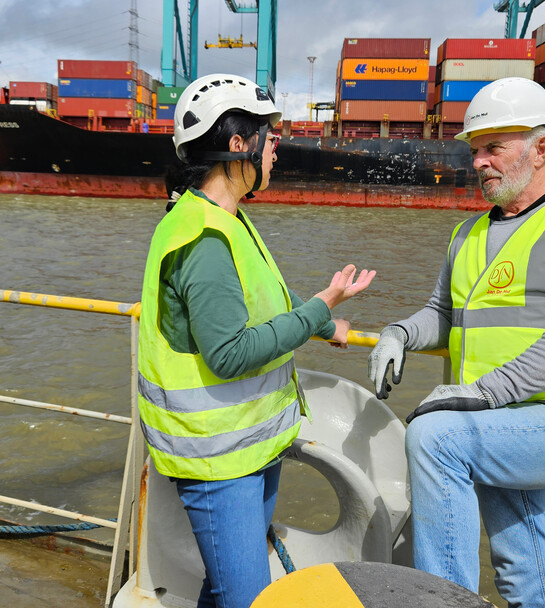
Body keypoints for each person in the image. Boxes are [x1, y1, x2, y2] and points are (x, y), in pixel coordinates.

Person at [367, 77, 545, 608]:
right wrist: (399, 334)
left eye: (494, 147)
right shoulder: (467, 233)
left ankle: (442, 603)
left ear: (542, 149)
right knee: (524, 567)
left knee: (435, 438)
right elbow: (443, 315)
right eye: (474, 150)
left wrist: (483, 394)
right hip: (500, 419)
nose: (479, 162)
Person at [138, 73, 375, 608]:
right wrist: (322, 306)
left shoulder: (227, 219)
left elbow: (260, 305)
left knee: (224, 586)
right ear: (237, 145)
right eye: (270, 137)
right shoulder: (203, 238)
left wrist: (321, 322)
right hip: (220, 460)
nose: (277, 150)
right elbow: (229, 353)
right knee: (245, 596)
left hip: (251, 443)